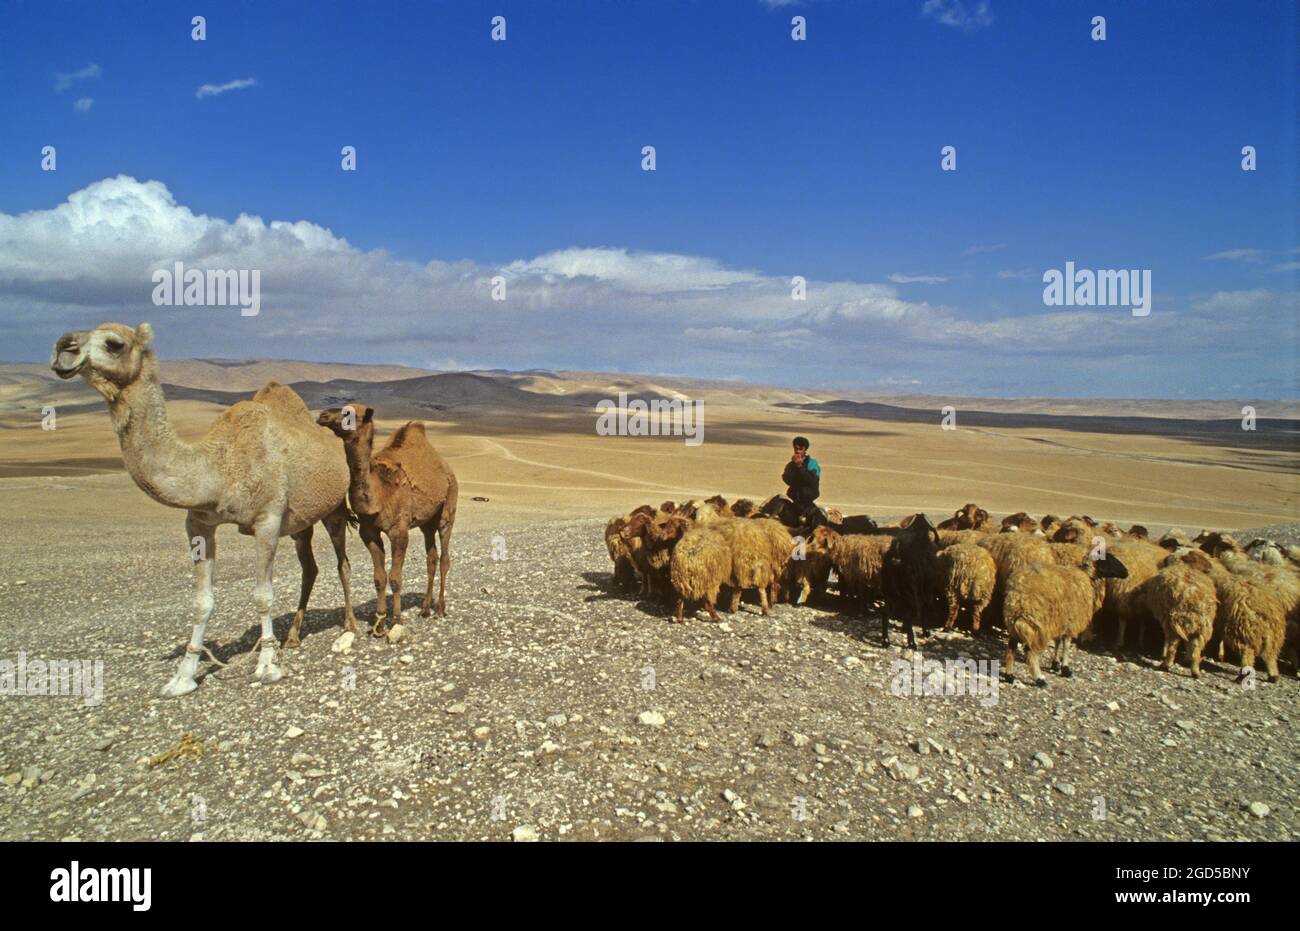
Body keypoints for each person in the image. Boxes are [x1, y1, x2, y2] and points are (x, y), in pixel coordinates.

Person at [781, 436, 823, 529]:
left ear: (805, 450)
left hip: (808, 501)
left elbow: (812, 481)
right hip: (795, 500)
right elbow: (787, 479)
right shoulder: (791, 464)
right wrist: (794, 467)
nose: (798, 451)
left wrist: (800, 467)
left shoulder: (812, 464)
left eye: (801, 449)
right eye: (796, 449)